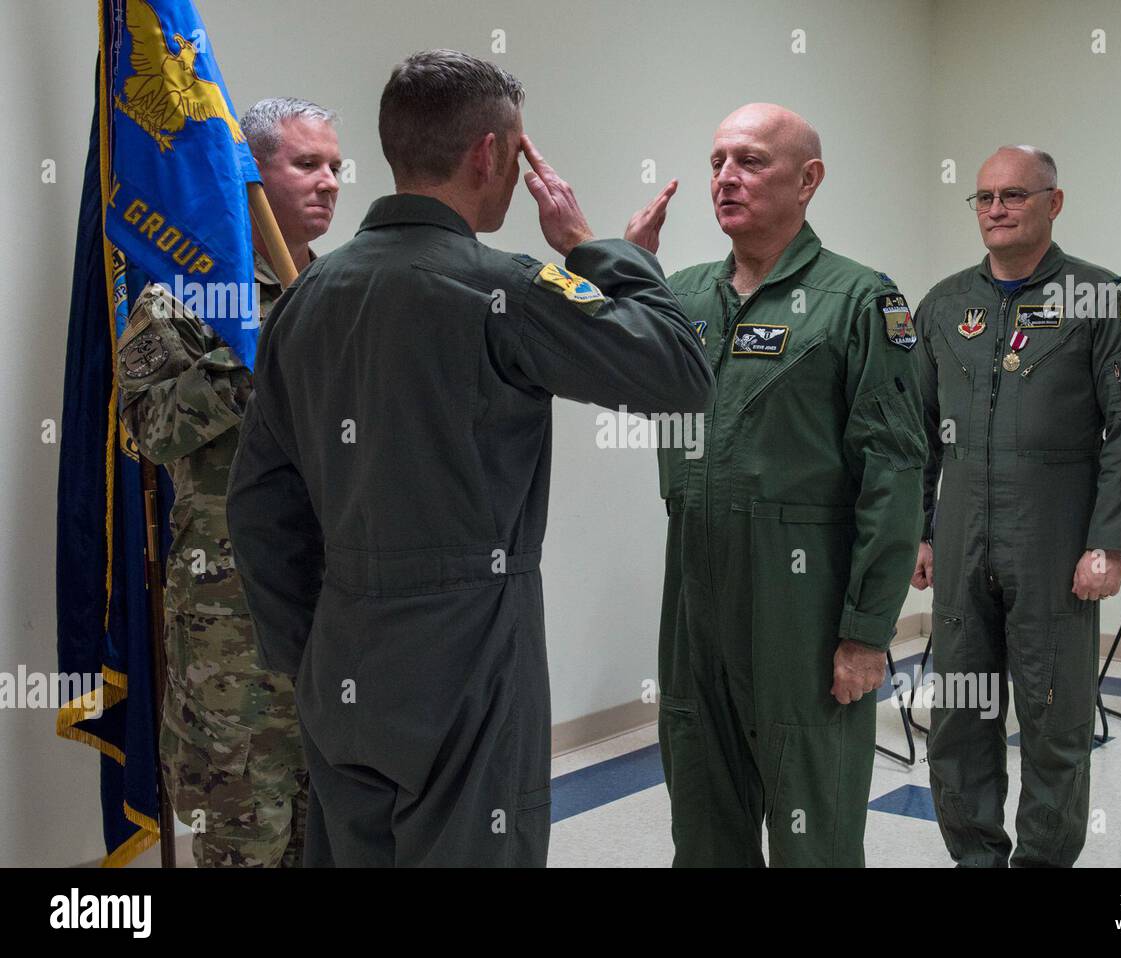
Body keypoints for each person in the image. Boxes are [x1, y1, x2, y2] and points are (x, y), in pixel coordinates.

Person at [225, 49, 712, 867]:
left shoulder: (307, 296)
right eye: (517, 154)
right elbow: (679, 372)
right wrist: (596, 249)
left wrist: (308, 655)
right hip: (469, 649)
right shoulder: (505, 288)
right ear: (489, 153)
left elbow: (259, 507)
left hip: (341, 648)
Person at [654, 103, 926, 867]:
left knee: (814, 831)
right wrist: (618, 268)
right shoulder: (682, 297)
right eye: (715, 162)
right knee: (703, 824)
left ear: (808, 180)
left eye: (749, 160)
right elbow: (602, 364)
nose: (725, 178)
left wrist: (868, 631)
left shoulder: (860, 301)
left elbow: (895, 473)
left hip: (801, 609)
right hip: (695, 599)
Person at [911, 145, 1121, 867]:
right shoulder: (944, 304)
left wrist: (1109, 542)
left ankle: (1045, 862)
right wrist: (919, 531)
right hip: (961, 531)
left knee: (1055, 718)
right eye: (985, 198)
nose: (996, 210)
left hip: (1054, 537)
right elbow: (913, 428)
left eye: (1014, 196)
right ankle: (977, 858)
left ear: (1053, 203)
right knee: (960, 713)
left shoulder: (1102, 299)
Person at [115, 97, 342, 866]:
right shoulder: (185, 294)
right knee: (249, 836)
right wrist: (253, 350)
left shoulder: (343, 292)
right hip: (231, 625)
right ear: (248, 175)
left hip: (338, 610)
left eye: (337, 167)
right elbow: (149, 432)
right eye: (307, 163)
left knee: (335, 837)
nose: (329, 182)